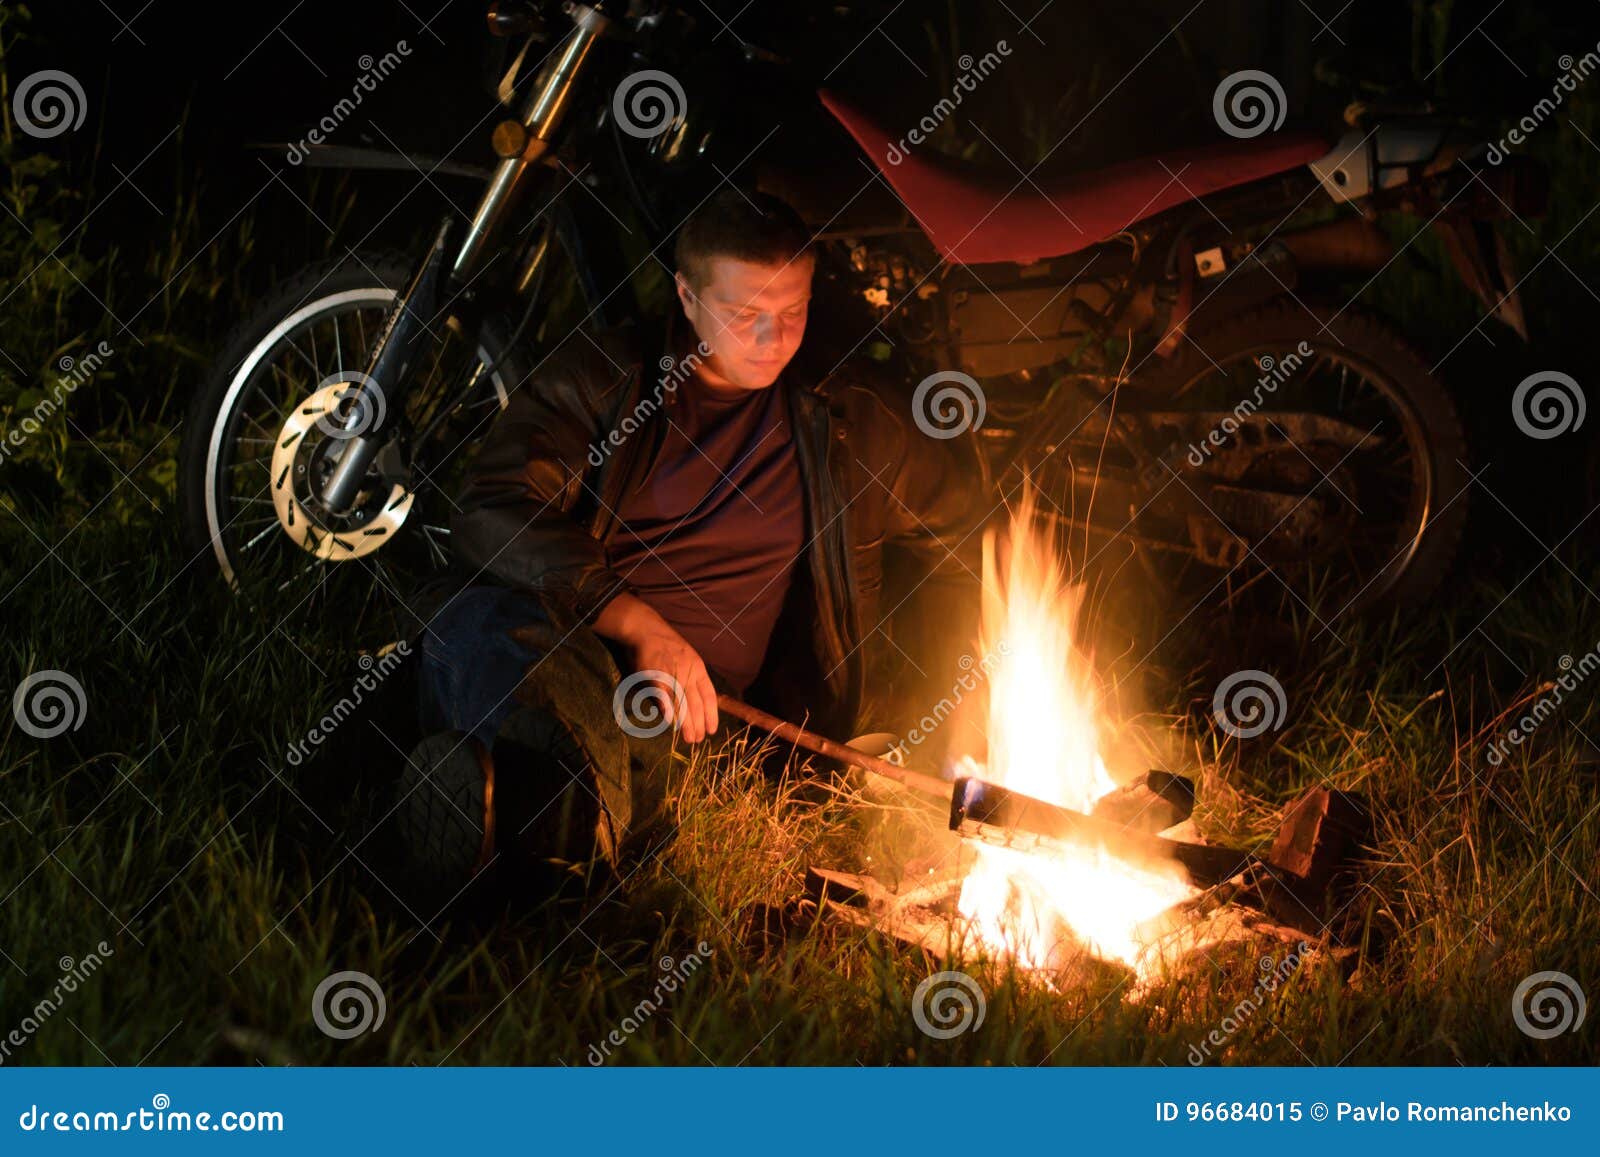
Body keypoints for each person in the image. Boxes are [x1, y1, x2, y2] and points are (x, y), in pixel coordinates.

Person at [393, 188, 982, 893]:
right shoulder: (608, 376)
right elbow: (492, 510)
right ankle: (543, 833)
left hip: (694, 711)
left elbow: (968, 535)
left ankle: (490, 820)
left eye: (791, 313)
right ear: (686, 295)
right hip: (566, 630)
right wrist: (638, 623)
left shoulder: (852, 421)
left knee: (634, 728)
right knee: (491, 634)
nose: (772, 339)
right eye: (743, 315)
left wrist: (939, 701)